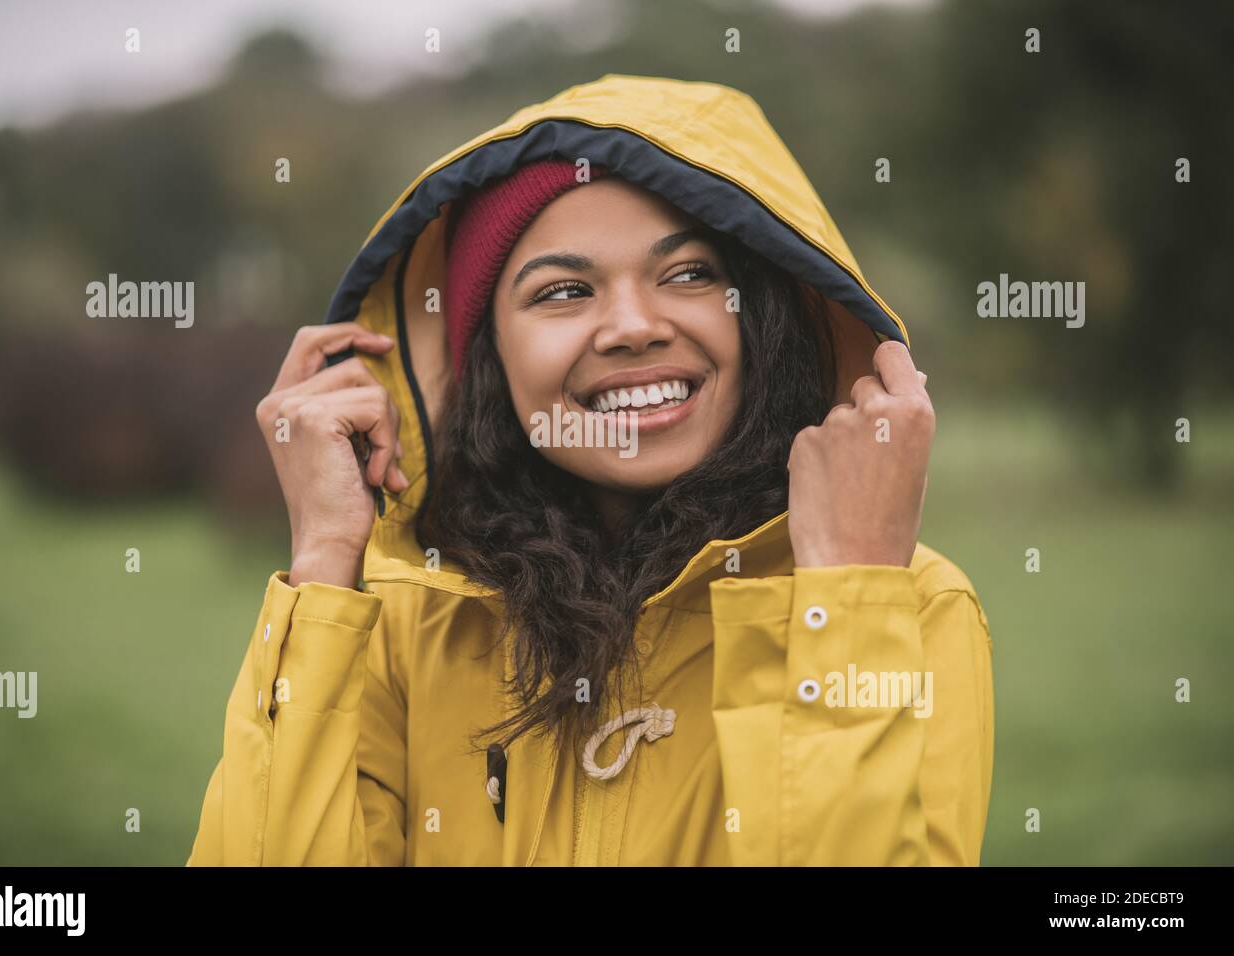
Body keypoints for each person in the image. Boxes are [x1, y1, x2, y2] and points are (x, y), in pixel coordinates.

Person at [186, 74, 994, 866]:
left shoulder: (910, 607)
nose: (633, 327)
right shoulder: (400, 621)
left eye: (690, 274)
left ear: (767, 316)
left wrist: (848, 604)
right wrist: (326, 557)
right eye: (564, 291)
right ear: (486, 361)